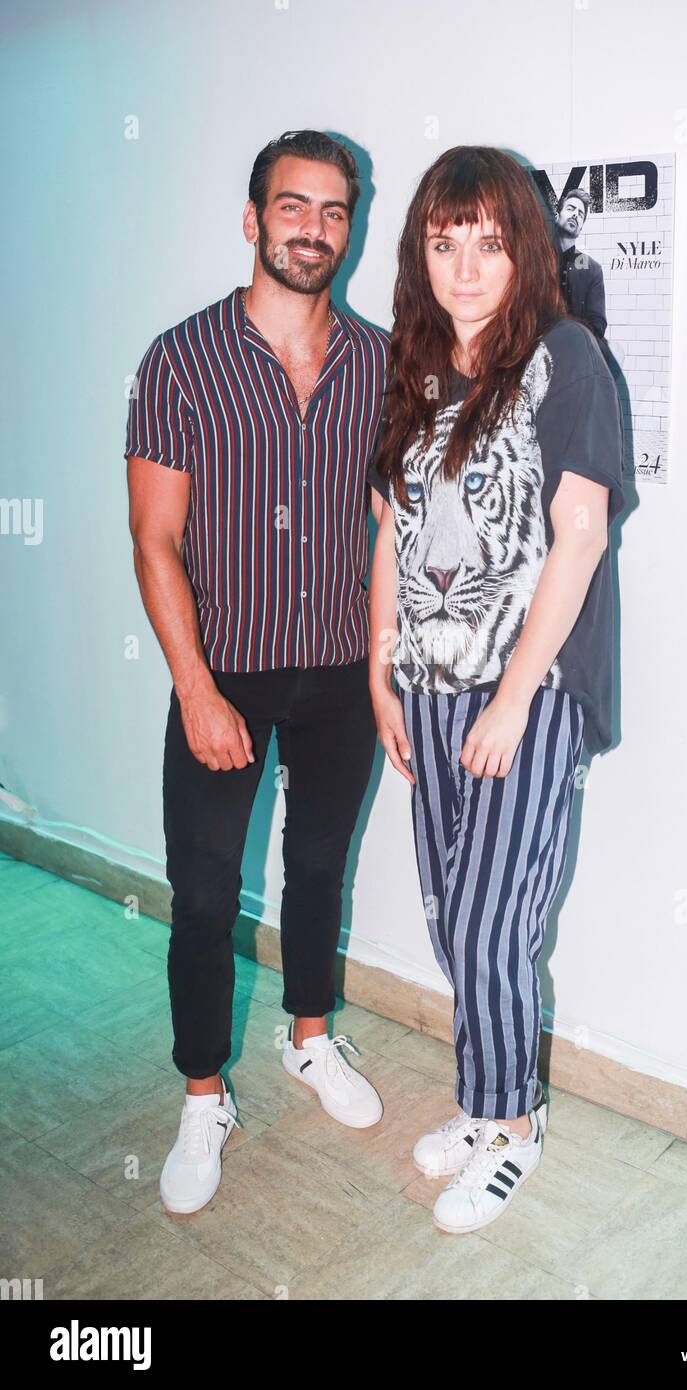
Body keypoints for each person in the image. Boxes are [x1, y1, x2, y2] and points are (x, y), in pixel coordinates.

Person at [124, 130, 389, 1215]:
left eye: (333, 209)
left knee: (319, 872)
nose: (313, 228)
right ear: (252, 219)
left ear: (349, 226)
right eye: (293, 206)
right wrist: (193, 684)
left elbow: (388, 524)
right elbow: (154, 537)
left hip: (339, 667)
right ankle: (201, 1096)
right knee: (199, 894)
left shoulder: (379, 361)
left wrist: (390, 667)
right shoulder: (179, 357)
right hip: (223, 668)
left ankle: (310, 1040)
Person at [366, 146, 625, 1235]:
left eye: (486, 241)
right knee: (451, 918)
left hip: (529, 689)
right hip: (424, 682)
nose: (464, 266)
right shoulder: (416, 369)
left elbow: (576, 532)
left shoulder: (564, 358)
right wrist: (376, 665)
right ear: (419, 250)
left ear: (522, 247)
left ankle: (511, 1129)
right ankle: (481, 1108)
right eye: (442, 240)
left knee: (489, 927)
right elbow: (389, 527)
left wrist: (517, 696)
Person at [555, 187, 607, 337]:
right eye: (571, 208)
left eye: (580, 214)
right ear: (557, 215)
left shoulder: (593, 269)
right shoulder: (536, 260)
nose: (575, 215)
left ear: (581, 227)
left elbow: (598, 323)